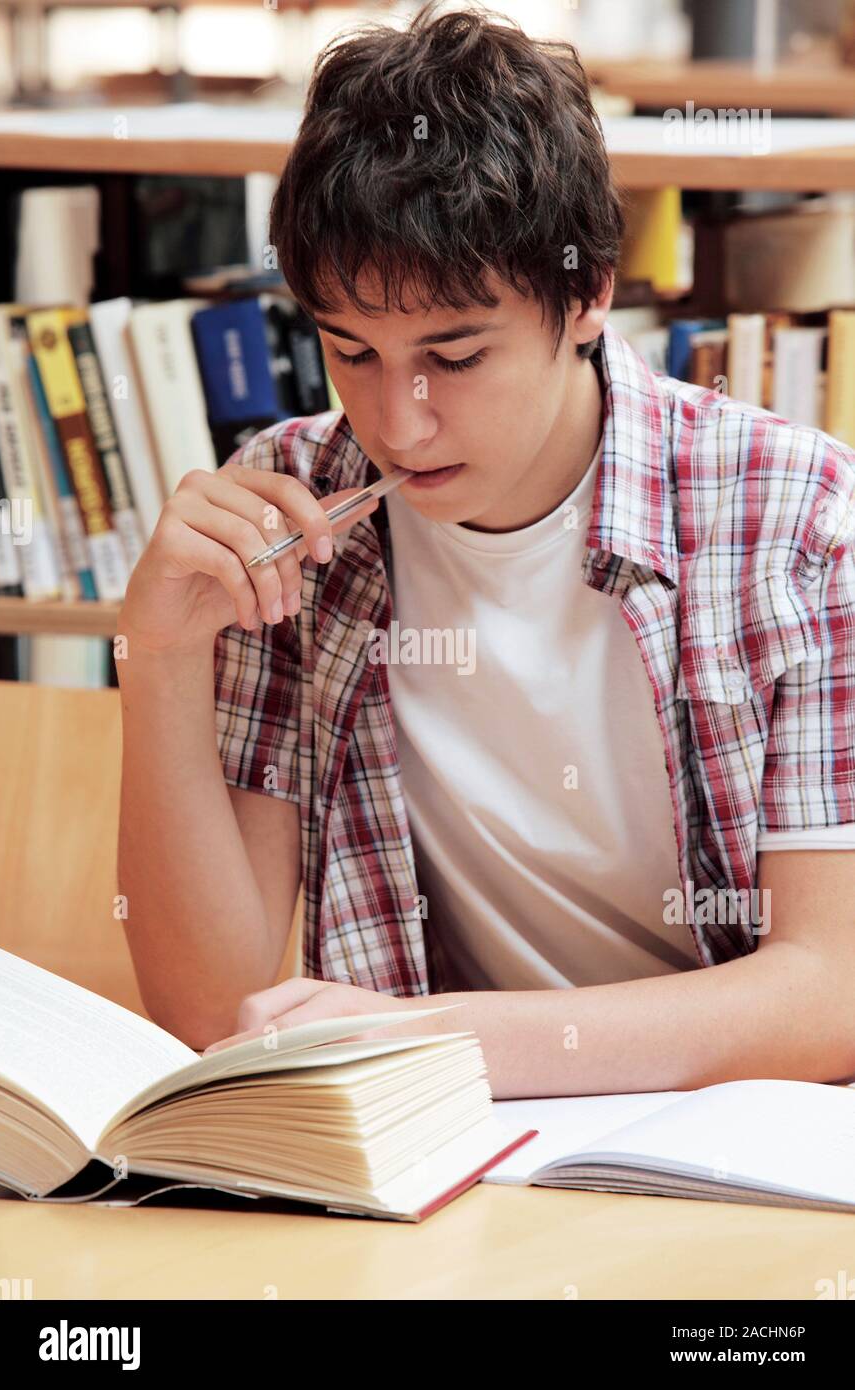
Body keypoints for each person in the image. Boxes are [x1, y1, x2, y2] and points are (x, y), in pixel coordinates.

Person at [117, 2, 855, 1098]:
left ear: (586, 292)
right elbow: (203, 999)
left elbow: (828, 995)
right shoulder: (293, 511)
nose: (396, 421)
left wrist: (439, 1037)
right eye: (349, 351)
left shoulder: (793, 517)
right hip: (450, 1166)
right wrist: (161, 655)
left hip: (728, 1161)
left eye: (452, 356)